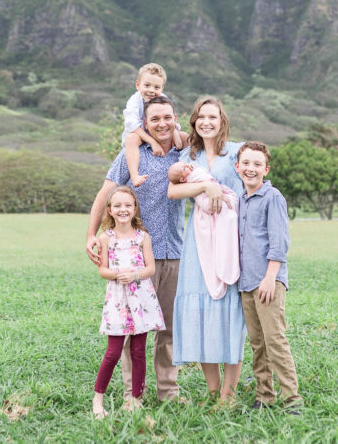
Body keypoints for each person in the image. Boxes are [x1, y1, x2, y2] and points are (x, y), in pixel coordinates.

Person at [86, 95, 185, 402]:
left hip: (175, 251)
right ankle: (133, 394)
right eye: (154, 119)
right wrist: (90, 235)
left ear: (175, 119)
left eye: (167, 117)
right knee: (134, 328)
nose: (162, 124)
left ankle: (168, 391)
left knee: (168, 328)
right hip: (138, 257)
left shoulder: (184, 153)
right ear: (144, 123)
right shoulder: (132, 154)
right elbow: (105, 193)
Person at [167, 96, 247, 404]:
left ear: (222, 120)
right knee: (200, 312)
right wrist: (204, 186)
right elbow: (173, 190)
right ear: (194, 122)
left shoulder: (237, 152)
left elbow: (251, 185)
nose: (206, 122)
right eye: (201, 117)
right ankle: (213, 391)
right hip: (198, 242)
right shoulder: (188, 155)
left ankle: (229, 393)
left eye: (212, 117)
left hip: (230, 238)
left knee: (230, 314)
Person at [235, 141, 303, 412]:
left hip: (267, 281)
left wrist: (269, 278)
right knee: (257, 343)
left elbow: (279, 241)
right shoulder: (240, 199)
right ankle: (264, 396)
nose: (251, 169)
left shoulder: (272, 197)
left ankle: (292, 398)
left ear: (266, 169)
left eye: (257, 164)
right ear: (237, 167)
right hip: (246, 282)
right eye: (246, 163)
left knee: (274, 339)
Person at [92, 186, 165, 417]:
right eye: (117, 206)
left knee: (138, 352)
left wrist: (134, 275)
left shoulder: (142, 237)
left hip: (140, 298)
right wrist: (118, 274)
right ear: (110, 210)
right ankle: (97, 399)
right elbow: (103, 270)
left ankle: (136, 399)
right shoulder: (106, 238)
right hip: (118, 300)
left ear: (134, 209)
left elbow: (150, 268)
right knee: (113, 353)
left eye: (128, 205)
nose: (123, 209)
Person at [167, 162, 240, 300]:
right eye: (184, 168)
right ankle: (220, 276)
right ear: (182, 178)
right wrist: (206, 186)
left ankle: (229, 268)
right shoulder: (186, 157)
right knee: (208, 260)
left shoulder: (234, 154)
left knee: (226, 241)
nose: (188, 166)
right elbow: (172, 192)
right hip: (203, 220)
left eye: (186, 166)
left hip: (229, 213)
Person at [121, 64, 189, 187]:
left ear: (162, 88)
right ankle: (134, 175)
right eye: (147, 85)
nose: (151, 90)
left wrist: (175, 133)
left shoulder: (162, 98)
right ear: (138, 85)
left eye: (156, 87)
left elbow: (169, 118)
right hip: (139, 132)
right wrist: (152, 142)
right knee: (131, 139)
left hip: (158, 131)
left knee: (183, 137)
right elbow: (132, 125)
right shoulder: (134, 101)